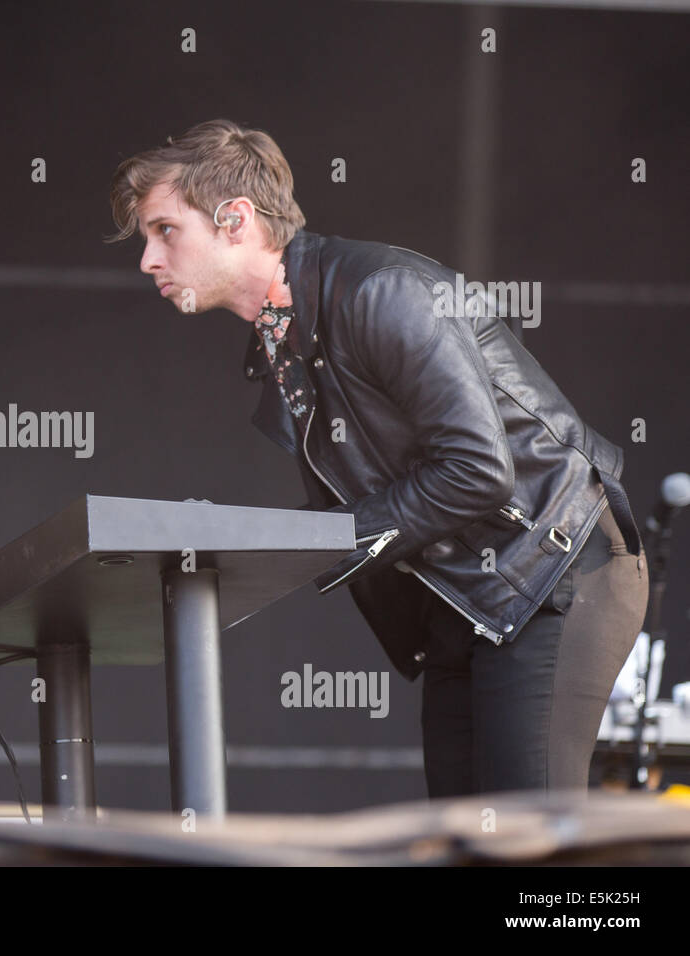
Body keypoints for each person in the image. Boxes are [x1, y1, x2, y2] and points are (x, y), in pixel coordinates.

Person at [107, 119, 648, 797]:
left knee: (530, 838)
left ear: (235, 219)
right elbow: (362, 504)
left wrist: (323, 542)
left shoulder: (379, 291)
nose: (149, 259)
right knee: (460, 835)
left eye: (164, 230)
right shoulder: (284, 338)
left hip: (555, 570)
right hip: (461, 601)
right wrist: (234, 540)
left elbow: (478, 470)